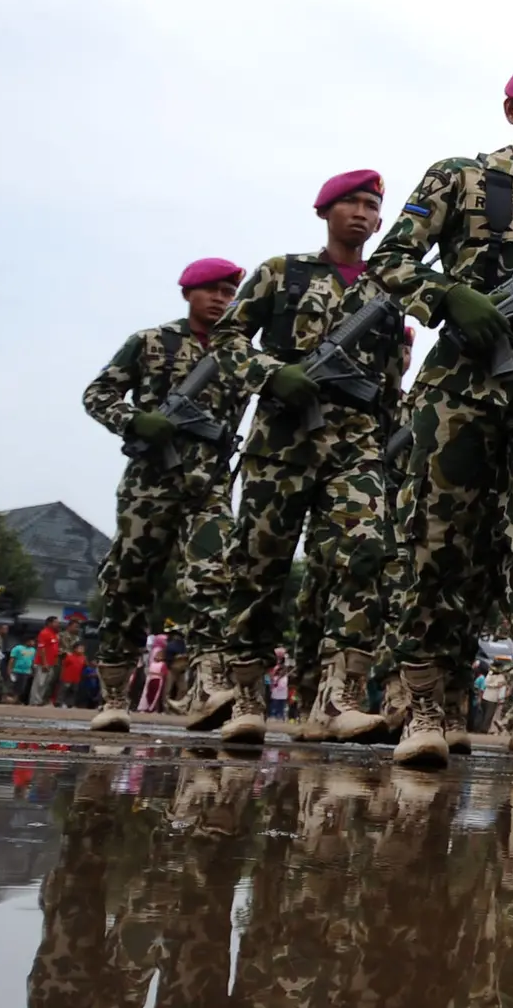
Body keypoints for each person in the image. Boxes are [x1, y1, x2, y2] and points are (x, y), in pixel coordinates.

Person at [369, 62, 513, 770]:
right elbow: (393, 262)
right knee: (440, 546)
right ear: (512, 111)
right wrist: (446, 300)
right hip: (462, 387)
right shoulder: (460, 179)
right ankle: (427, 703)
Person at [195, 170, 406, 746]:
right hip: (281, 444)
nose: (361, 214)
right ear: (325, 212)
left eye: (371, 205)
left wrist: (397, 434)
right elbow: (229, 339)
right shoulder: (281, 272)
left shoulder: (389, 286)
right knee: (259, 567)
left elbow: (389, 376)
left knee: (366, 551)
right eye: (350, 203)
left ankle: (338, 699)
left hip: (357, 442)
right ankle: (245, 698)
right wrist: (273, 374)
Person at [80, 257, 250, 731]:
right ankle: (115, 694)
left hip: (210, 485)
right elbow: (98, 394)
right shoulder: (150, 341)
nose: (220, 299)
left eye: (228, 292)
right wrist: (134, 421)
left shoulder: (241, 351)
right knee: (129, 583)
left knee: (214, 578)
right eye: (211, 290)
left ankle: (210, 684)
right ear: (188, 294)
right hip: (150, 484)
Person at [8, 638, 35, 703]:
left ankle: (16, 699)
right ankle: (11, 699)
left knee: (22, 686)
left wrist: (32, 670)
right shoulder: (17, 648)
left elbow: (32, 661)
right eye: (32, 641)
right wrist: (9, 669)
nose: (33, 643)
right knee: (13, 685)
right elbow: (12, 659)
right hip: (16, 670)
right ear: (27, 641)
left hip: (26, 671)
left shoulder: (33, 650)